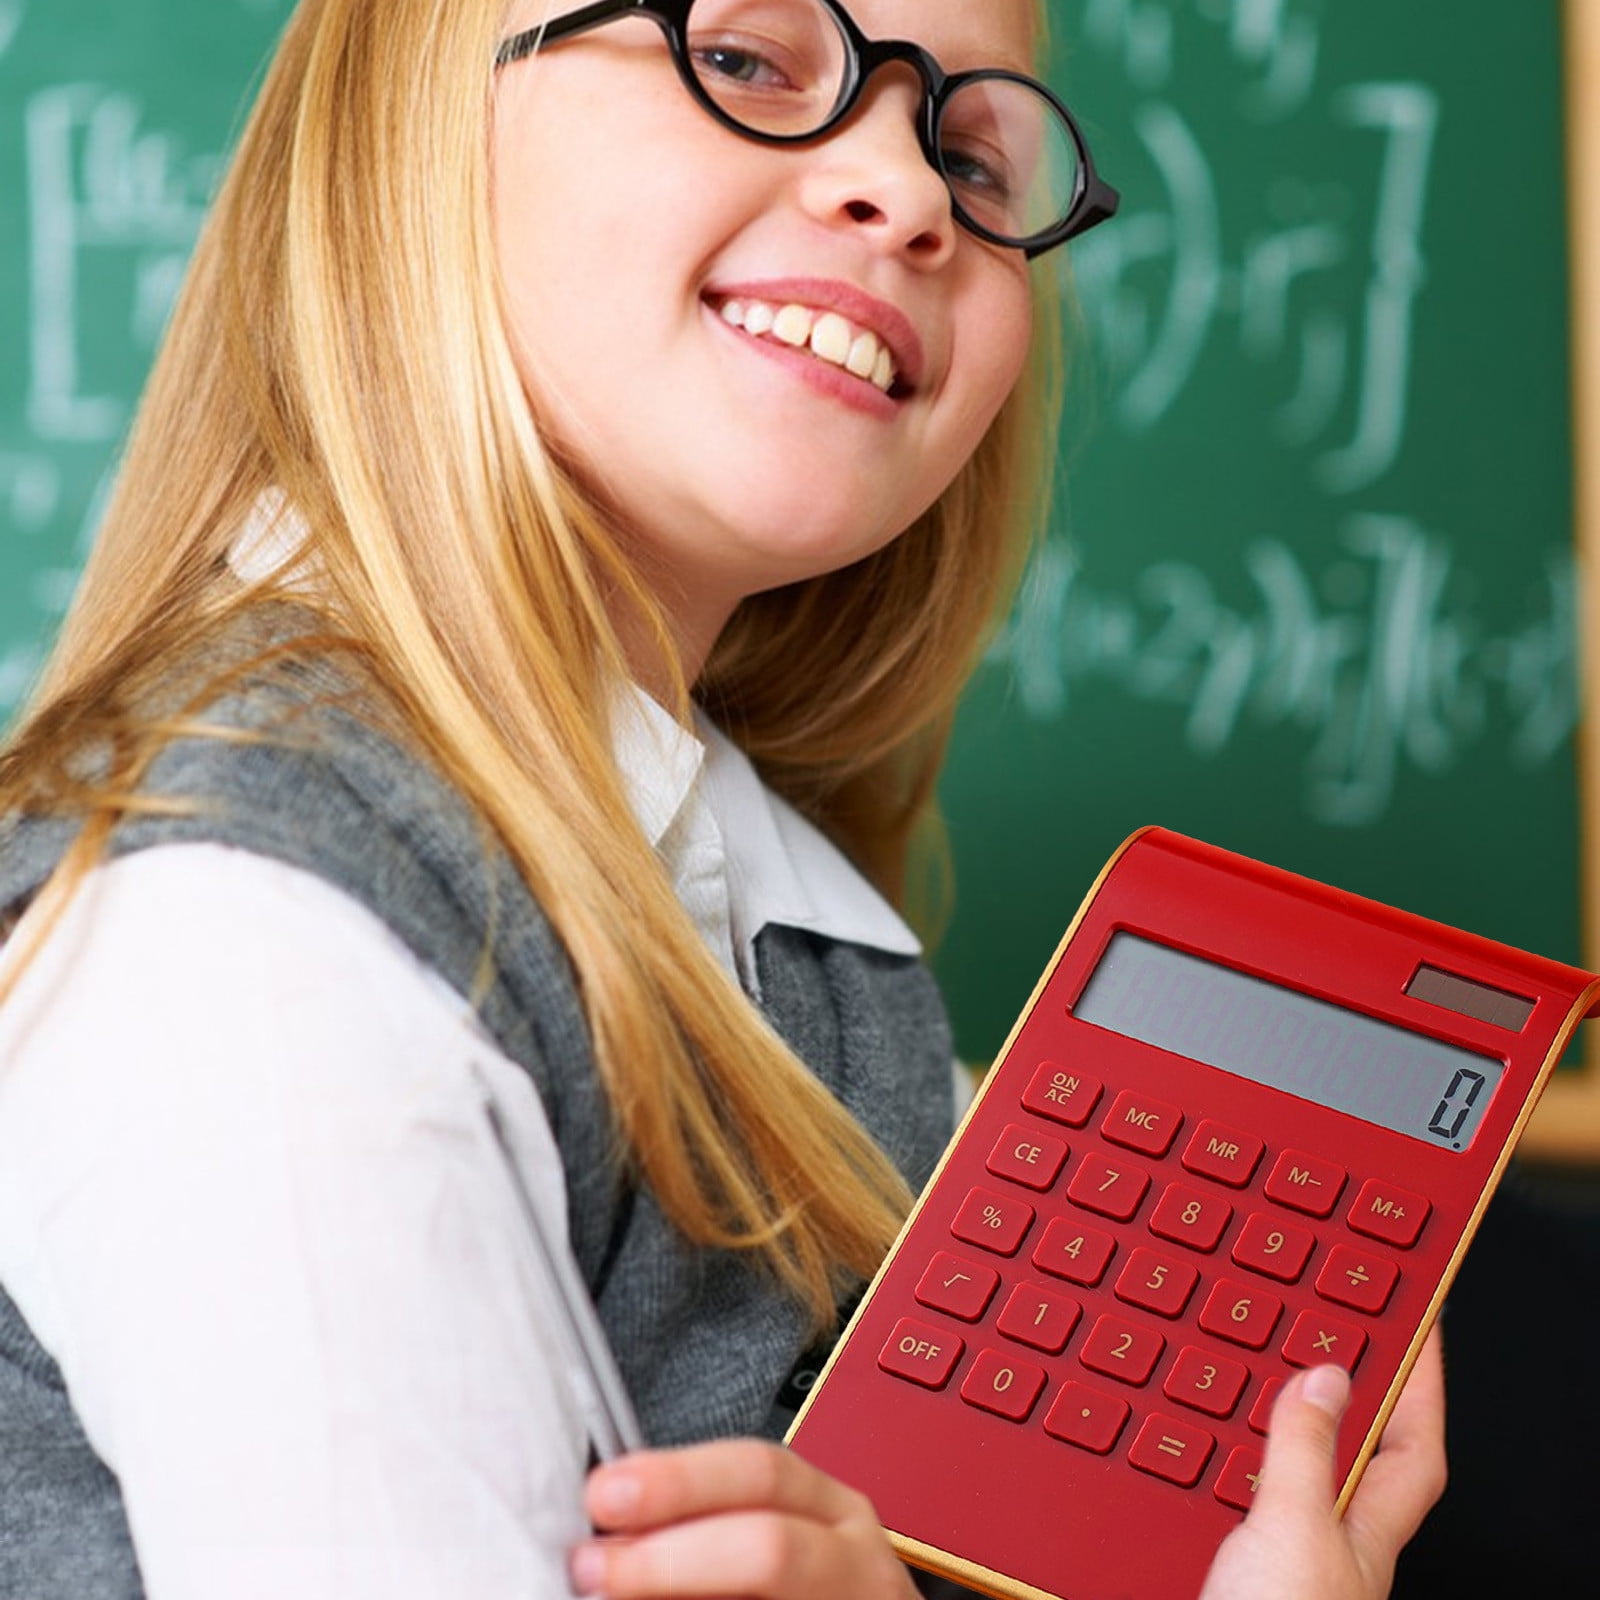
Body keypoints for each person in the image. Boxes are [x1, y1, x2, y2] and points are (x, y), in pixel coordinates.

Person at [0, 1, 1445, 1596]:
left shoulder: (765, 898)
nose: (904, 193)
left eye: (970, 154)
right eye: (748, 60)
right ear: (407, 128)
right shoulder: (254, 950)